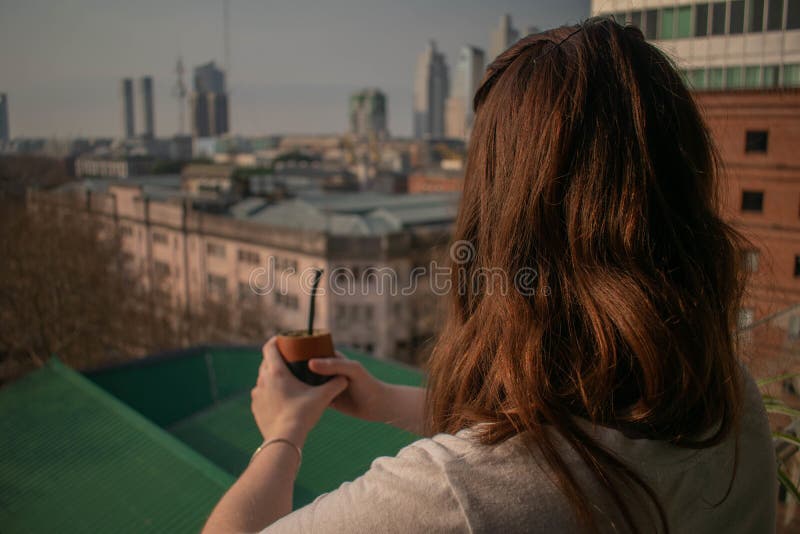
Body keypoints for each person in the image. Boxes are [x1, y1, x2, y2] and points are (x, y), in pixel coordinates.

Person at [203, 19, 777, 533]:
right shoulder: (727, 403)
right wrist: (384, 401)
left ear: (497, 220)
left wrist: (281, 436)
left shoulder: (456, 499)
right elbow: (566, 417)